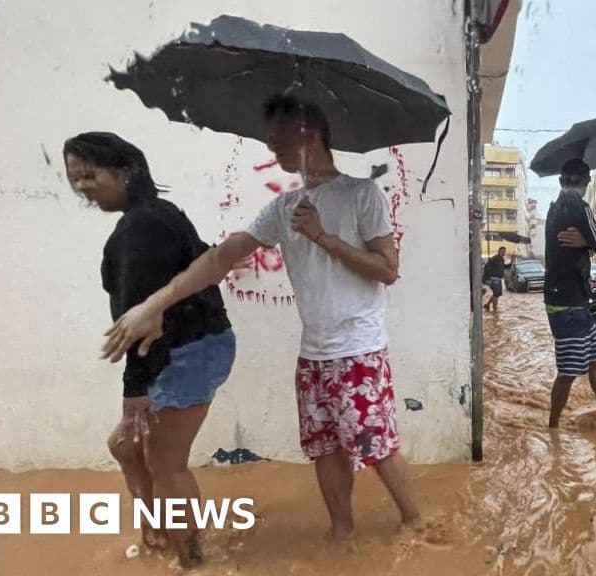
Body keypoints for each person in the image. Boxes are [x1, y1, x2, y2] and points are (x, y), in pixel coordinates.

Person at [101, 95, 420, 540]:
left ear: (308, 132)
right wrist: (153, 304)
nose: (270, 145)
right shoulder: (283, 208)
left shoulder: (361, 194)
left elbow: (388, 269)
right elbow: (221, 258)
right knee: (325, 448)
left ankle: (416, 522)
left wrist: (323, 237)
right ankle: (342, 533)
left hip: (360, 348)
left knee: (377, 445)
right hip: (314, 354)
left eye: (277, 135)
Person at [64, 132, 235, 567]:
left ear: (127, 171)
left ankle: (191, 559)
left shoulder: (142, 226)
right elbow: (202, 263)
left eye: (89, 174)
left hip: (185, 352)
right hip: (201, 345)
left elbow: (141, 327)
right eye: (74, 178)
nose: (82, 186)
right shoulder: (159, 214)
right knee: (126, 448)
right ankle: (160, 530)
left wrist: (134, 393)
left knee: (166, 464)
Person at [543, 158, 596, 428]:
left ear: (560, 181)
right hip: (569, 305)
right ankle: (552, 428)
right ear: (587, 182)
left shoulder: (555, 209)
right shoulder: (579, 207)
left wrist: (587, 241)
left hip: (570, 302)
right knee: (568, 372)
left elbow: (591, 243)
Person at [483, 247, 508, 312]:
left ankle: (487, 305)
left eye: (504, 251)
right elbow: (486, 267)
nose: (503, 253)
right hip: (494, 279)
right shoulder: (495, 258)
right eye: (502, 251)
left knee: (496, 294)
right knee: (496, 294)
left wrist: (510, 264)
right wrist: (487, 278)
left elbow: (504, 267)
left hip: (498, 279)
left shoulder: (501, 259)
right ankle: (495, 310)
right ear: (499, 251)